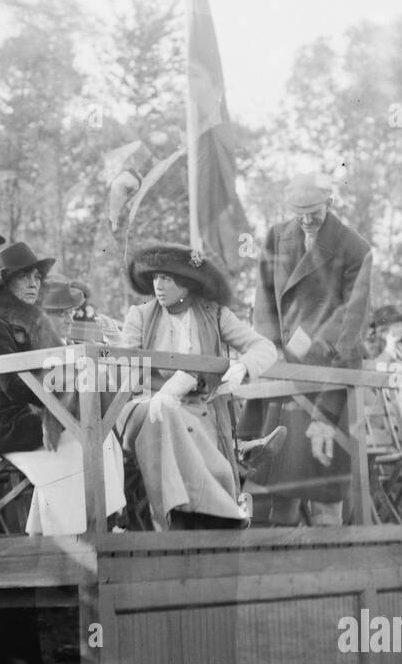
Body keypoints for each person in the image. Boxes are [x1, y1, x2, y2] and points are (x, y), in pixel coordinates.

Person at [117, 244, 279, 530]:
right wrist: (172, 385)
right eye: (155, 278)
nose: (159, 286)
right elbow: (125, 373)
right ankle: (190, 513)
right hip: (144, 410)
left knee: (194, 431)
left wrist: (242, 367)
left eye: (167, 279)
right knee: (166, 411)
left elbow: (264, 347)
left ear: (187, 284)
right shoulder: (140, 316)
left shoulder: (214, 315)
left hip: (199, 412)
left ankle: (213, 506)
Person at [245, 172, 373, 527]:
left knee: (325, 502)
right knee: (281, 498)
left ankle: (327, 578)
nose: (305, 218)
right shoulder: (276, 237)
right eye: (297, 210)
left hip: (329, 382)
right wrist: (268, 354)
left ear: (330, 203)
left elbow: (353, 324)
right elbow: (264, 304)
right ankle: (284, 577)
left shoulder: (354, 248)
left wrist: (326, 413)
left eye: (313, 211)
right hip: (283, 377)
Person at [0, 241, 125, 535]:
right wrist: (68, 382)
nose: (33, 284)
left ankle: (79, 530)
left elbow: (61, 374)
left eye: (37, 278)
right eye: (24, 277)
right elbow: (14, 388)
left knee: (101, 437)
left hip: (46, 416)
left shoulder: (40, 324)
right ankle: (78, 535)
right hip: (8, 424)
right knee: (81, 445)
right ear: (5, 285)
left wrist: (71, 383)